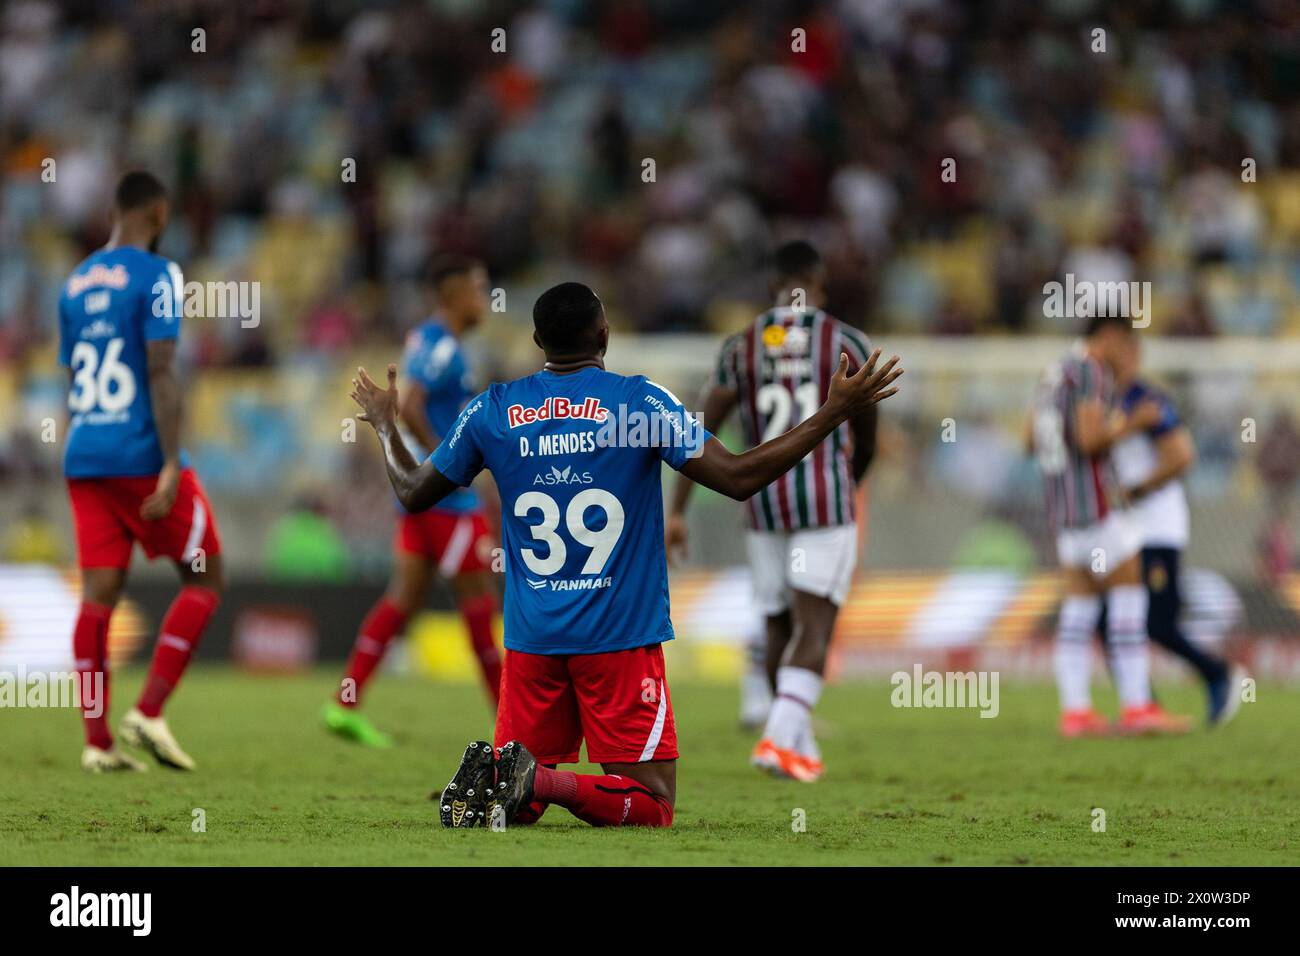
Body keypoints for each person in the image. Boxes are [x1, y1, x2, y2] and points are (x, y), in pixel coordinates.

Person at [348, 281, 902, 827]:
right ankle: (537, 778)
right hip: (619, 642)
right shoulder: (639, 403)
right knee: (652, 803)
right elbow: (738, 477)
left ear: (538, 341)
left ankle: (525, 778)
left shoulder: (492, 409)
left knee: (517, 807)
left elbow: (414, 491)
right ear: (605, 334)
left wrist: (384, 423)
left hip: (532, 643)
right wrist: (832, 414)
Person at [665, 240, 878, 781]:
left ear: (773, 284)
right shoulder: (846, 340)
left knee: (778, 618)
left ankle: (797, 744)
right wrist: (853, 477)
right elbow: (866, 423)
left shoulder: (743, 345)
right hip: (825, 501)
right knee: (816, 624)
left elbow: (699, 427)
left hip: (763, 504)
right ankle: (779, 738)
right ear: (819, 280)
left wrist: (678, 508)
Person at [60, 170, 224, 772]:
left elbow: (74, 379)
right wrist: (167, 463)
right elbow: (160, 369)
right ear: (158, 213)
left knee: (99, 594)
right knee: (206, 577)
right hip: (138, 452)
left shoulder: (74, 283)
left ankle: (96, 742)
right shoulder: (159, 274)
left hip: (85, 455)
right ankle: (149, 710)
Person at [323, 257, 502, 748]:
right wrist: (454, 464)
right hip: (446, 500)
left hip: (418, 496)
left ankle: (345, 702)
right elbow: (415, 402)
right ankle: (512, 725)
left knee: (402, 599)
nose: (484, 301)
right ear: (455, 294)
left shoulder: (425, 338)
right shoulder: (444, 345)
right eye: (478, 290)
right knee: (478, 607)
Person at [1026, 314, 1188, 737]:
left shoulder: (1053, 371)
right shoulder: (1090, 370)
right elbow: (1089, 440)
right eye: (1128, 344)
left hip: (1061, 511)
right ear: (1111, 338)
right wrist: (1135, 422)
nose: (1129, 355)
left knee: (1079, 612)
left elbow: (1028, 440)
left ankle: (1075, 712)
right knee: (1128, 603)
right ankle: (1137, 706)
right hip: (1094, 506)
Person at [1105, 336, 1244, 724]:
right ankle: (1141, 706)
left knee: (1156, 623)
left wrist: (1136, 490)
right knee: (1110, 620)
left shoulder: (1146, 400)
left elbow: (1182, 455)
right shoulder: (1106, 404)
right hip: (1127, 530)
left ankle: (1218, 674)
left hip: (1157, 528)